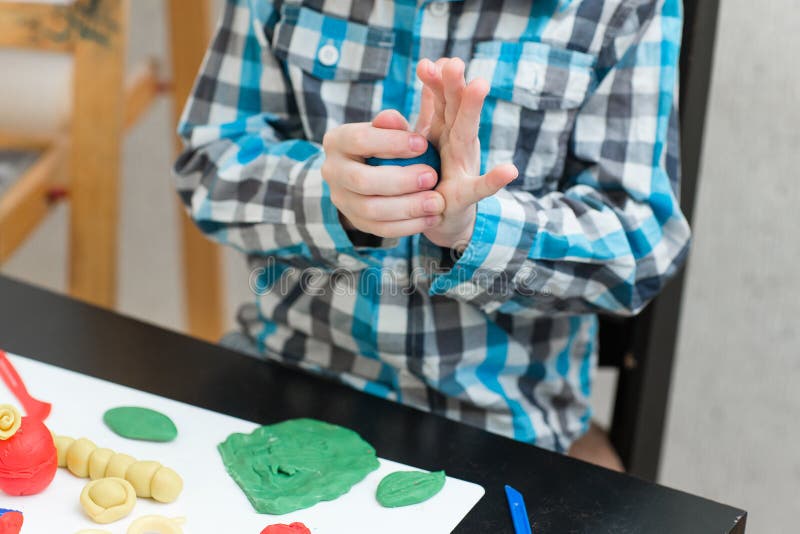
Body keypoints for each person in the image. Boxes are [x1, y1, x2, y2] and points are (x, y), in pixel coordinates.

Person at [174, 0, 689, 470]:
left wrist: (476, 231)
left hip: (501, 428)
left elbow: (641, 247)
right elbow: (207, 166)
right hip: (286, 378)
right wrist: (332, 199)